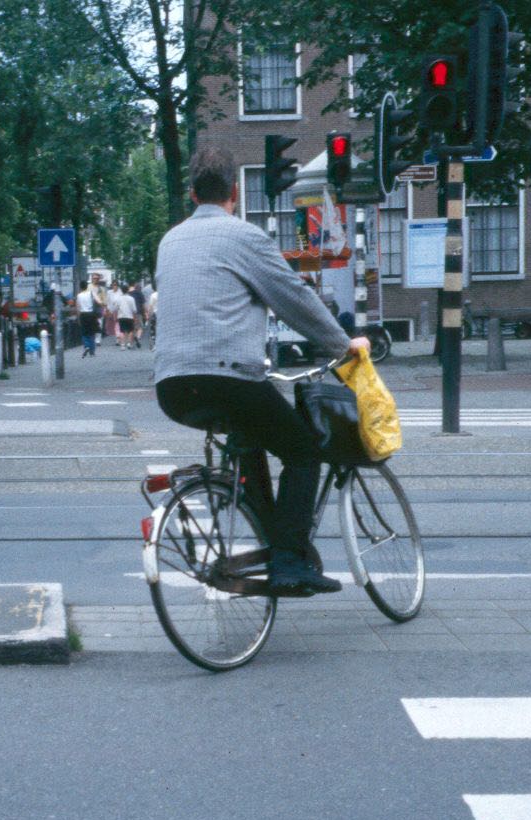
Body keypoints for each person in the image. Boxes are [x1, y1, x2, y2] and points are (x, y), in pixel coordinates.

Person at [155, 145, 370, 597]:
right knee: (303, 451)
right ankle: (289, 563)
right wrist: (342, 344)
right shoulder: (244, 237)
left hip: (171, 386)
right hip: (227, 377)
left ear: (193, 194)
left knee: (249, 439)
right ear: (234, 192)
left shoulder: (169, 240)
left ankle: (273, 544)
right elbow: (292, 295)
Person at [76, 276, 102, 357]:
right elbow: (99, 302)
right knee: (92, 332)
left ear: (80, 287)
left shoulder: (79, 295)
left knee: (84, 332)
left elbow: (78, 308)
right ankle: (92, 351)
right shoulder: (91, 293)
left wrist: (78, 318)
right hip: (91, 314)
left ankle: (86, 346)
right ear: (87, 286)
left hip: (83, 315)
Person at [114, 283, 139, 348]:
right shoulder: (131, 298)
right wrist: (135, 318)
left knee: (122, 331)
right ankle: (129, 344)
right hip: (129, 316)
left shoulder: (118, 299)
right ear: (128, 290)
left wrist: (115, 317)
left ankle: (122, 345)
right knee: (130, 330)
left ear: (121, 290)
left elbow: (116, 309)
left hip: (121, 317)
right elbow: (134, 310)